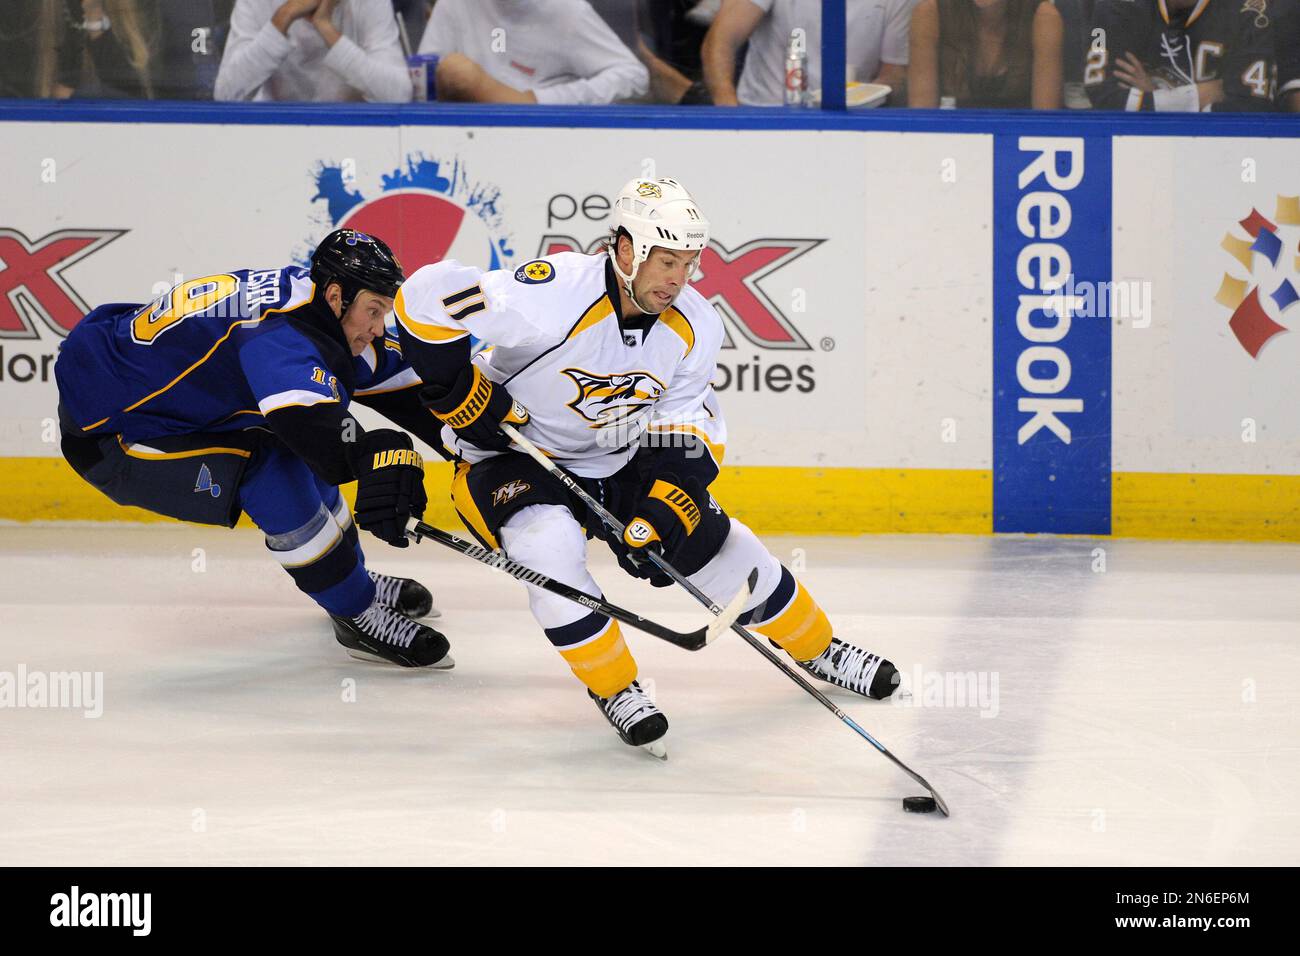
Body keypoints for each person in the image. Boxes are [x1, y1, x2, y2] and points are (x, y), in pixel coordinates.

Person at [375, 178, 899, 754]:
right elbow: (423, 297)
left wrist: (666, 506)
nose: (678, 279)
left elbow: (687, 427)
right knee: (545, 548)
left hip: (616, 455)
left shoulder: (695, 326)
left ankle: (820, 649)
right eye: (666, 260)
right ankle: (618, 688)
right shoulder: (552, 294)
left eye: (689, 263)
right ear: (625, 250)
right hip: (508, 455)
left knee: (728, 550)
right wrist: (455, 388)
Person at [54, 230, 452, 669]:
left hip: (130, 381)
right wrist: (376, 454)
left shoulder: (313, 300)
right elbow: (317, 432)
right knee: (272, 470)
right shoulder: (279, 340)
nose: (378, 328)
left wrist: (475, 425)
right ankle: (355, 613)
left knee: (291, 445)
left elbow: (394, 371)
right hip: (113, 436)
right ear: (338, 296)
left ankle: (351, 580)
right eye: (374, 312)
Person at [416, 0, 648, 105]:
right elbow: (423, 85)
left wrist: (543, 99)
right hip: (462, 136)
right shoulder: (454, 4)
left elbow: (633, 76)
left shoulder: (567, 10)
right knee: (457, 71)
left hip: (544, 136)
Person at [702, 0, 913, 106]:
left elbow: (894, 74)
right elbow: (720, 42)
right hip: (763, 119)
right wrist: (732, 118)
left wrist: (866, 98)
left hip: (850, 129)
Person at [1084, 0, 1278, 111]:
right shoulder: (1114, 7)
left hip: (1221, 152)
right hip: (1139, 147)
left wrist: (1150, 96)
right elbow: (1103, 95)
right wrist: (1196, 97)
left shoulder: (1251, 11)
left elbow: (1251, 106)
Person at [215, 0, 410, 102]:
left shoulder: (369, 3)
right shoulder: (256, 2)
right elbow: (226, 93)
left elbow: (398, 94)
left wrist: (326, 28)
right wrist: (284, 16)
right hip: (276, 133)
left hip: (352, 134)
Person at [908, 0, 1063, 109]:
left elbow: (1045, 124)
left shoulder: (1044, 17)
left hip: (1019, 144)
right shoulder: (930, 13)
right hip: (950, 144)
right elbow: (921, 121)